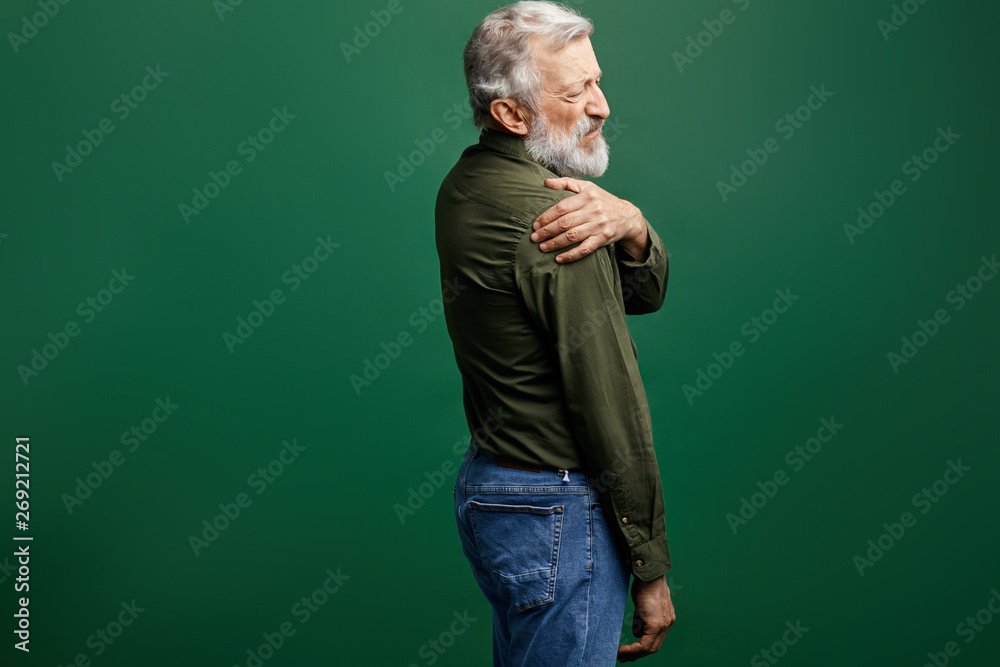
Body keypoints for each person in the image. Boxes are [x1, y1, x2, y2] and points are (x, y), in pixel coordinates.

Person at [435, 2, 675, 664]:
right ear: (512, 114)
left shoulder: (466, 183)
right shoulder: (555, 220)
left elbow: (641, 291)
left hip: (495, 492)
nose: (601, 106)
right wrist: (650, 565)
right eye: (577, 92)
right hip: (558, 509)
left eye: (598, 81)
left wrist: (630, 223)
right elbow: (611, 403)